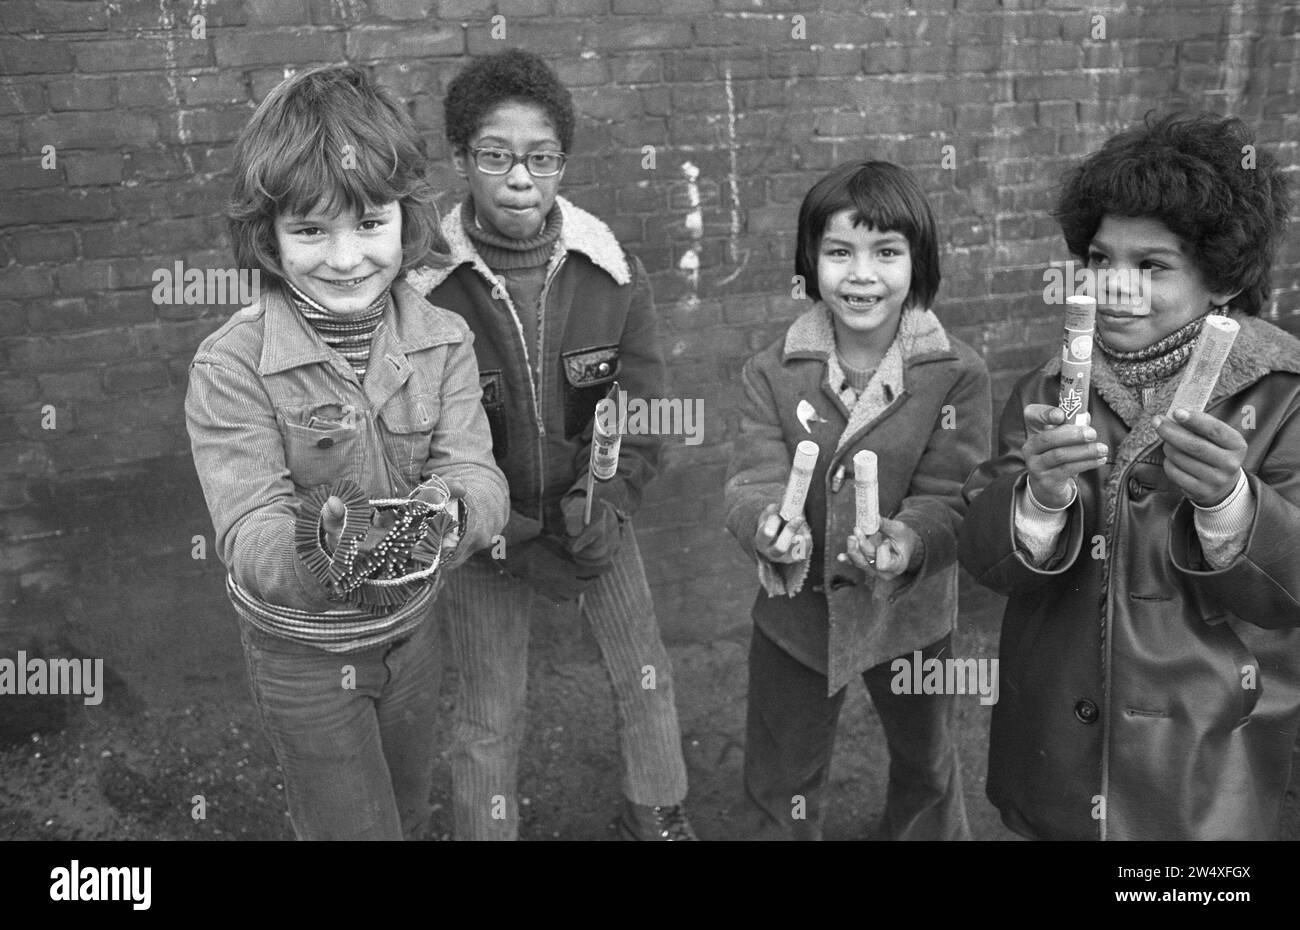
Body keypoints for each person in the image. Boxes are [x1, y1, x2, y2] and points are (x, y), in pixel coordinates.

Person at [185, 65, 507, 840]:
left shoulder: (444, 338)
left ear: (406, 220)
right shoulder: (229, 367)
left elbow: (475, 472)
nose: (344, 257)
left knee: (407, 806)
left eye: (369, 224)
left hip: (415, 635)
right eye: (310, 231)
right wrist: (340, 550)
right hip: (301, 656)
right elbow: (250, 534)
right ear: (267, 235)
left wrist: (452, 514)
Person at [958, 112, 1299, 840]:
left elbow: (1291, 591)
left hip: (1204, 759)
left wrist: (1231, 506)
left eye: (1151, 267)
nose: (1115, 287)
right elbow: (986, 557)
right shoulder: (1047, 390)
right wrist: (1036, 502)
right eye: (1100, 259)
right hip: (1055, 749)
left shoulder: (1281, 397)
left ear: (1223, 278)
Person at [409, 48, 695, 840]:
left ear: (562, 162)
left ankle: (656, 809)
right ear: (463, 158)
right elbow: (416, 433)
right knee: (488, 710)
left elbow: (643, 400)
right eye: (496, 156)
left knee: (645, 675)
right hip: (480, 536)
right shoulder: (423, 288)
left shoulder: (610, 271)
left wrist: (608, 501)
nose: (520, 179)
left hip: (592, 515)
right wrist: (491, 529)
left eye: (542, 158)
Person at [722, 160, 991, 840]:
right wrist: (766, 525)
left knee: (928, 767)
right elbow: (751, 479)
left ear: (918, 261)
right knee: (780, 776)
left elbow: (953, 492)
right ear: (809, 262)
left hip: (911, 615)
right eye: (839, 251)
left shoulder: (954, 374)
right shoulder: (771, 371)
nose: (862, 274)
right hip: (798, 613)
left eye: (887, 252)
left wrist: (908, 542)